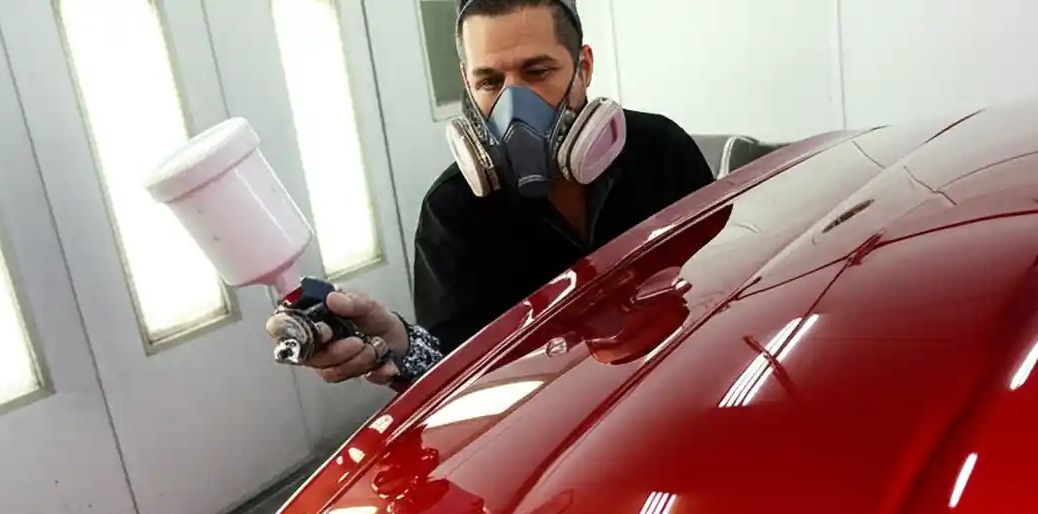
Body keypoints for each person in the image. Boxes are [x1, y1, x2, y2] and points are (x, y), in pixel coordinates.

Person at [268, 0, 715, 387]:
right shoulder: (453, 210)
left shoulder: (661, 149)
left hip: (682, 377)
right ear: (468, 83)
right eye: (489, 82)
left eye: (537, 72)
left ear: (584, 68)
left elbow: (729, 275)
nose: (514, 104)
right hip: (558, 432)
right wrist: (395, 343)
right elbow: (456, 372)